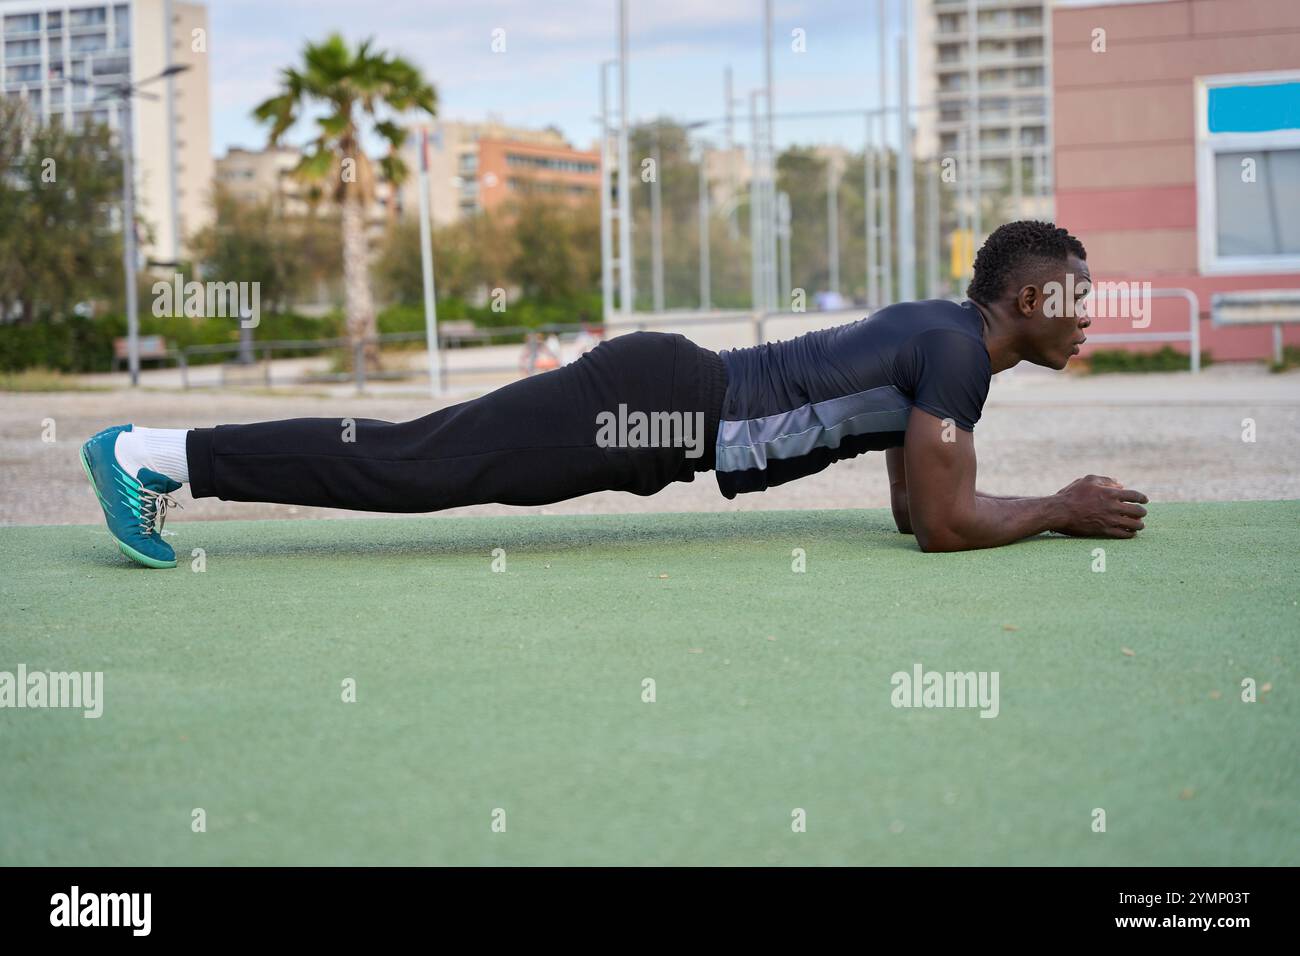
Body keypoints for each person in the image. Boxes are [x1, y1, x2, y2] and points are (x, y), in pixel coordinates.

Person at [81, 220, 1148, 568]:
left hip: (665, 412)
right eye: (1076, 297)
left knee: (418, 459)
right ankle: (153, 454)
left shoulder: (945, 342)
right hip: (662, 404)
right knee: (408, 464)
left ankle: (163, 454)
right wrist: (1060, 507)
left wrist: (1003, 504)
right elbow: (947, 525)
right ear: (1023, 295)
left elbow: (921, 505)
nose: (1089, 314)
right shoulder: (956, 351)